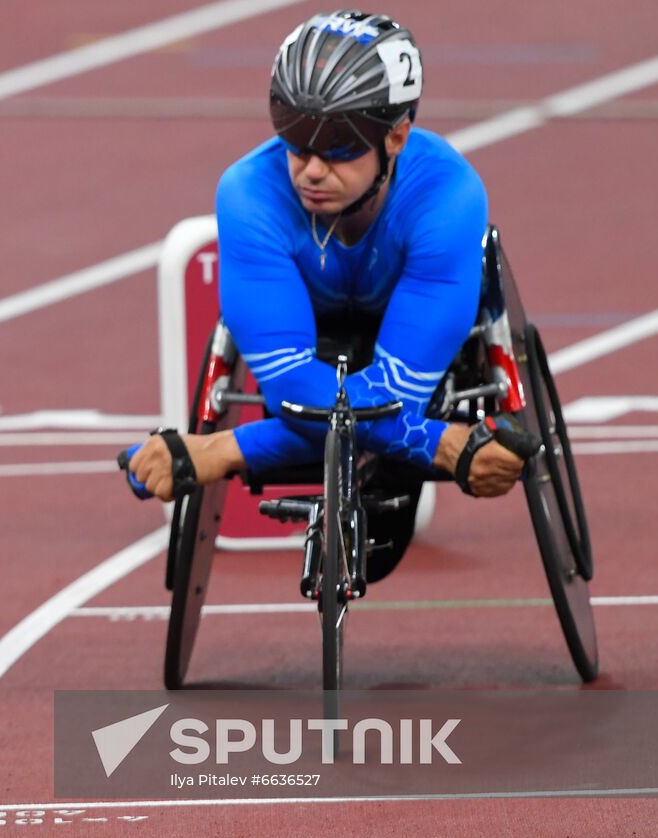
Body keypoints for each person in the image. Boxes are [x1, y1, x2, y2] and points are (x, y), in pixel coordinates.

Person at [126, 9, 533, 501]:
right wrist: (445, 446)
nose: (311, 171)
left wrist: (216, 451)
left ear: (396, 136)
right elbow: (291, 395)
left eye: (338, 146)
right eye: (294, 137)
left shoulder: (447, 197)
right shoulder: (249, 193)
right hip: (307, 324)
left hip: (402, 323)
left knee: (370, 414)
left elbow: (391, 403)